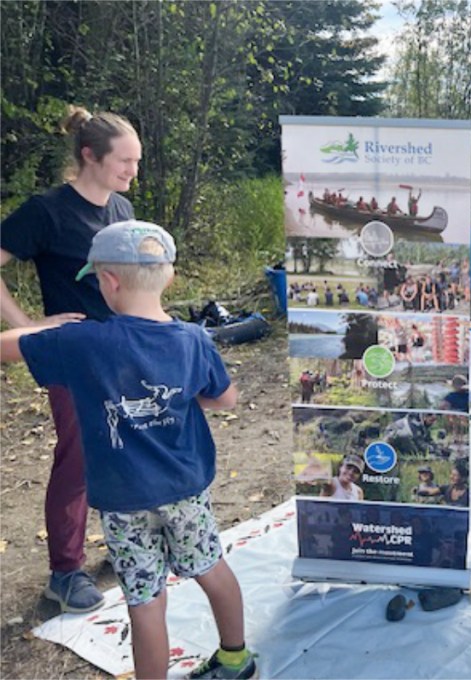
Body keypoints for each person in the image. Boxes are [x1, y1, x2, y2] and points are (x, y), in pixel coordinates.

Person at [0, 221, 256, 679]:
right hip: (184, 490)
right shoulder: (193, 339)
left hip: (122, 502)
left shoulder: (79, 342)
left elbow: (6, 348)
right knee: (211, 568)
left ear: (108, 282)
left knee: (144, 601)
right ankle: (237, 658)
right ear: (169, 278)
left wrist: (41, 327)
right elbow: (226, 399)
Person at [0, 106, 140, 613]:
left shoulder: (122, 210)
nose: (132, 172)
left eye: (136, 161)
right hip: (73, 357)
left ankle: (123, 548)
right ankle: (65, 572)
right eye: (124, 161)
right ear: (89, 156)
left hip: (124, 349)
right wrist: (27, 325)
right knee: (79, 458)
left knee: (124, 451)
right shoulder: (47, 210)